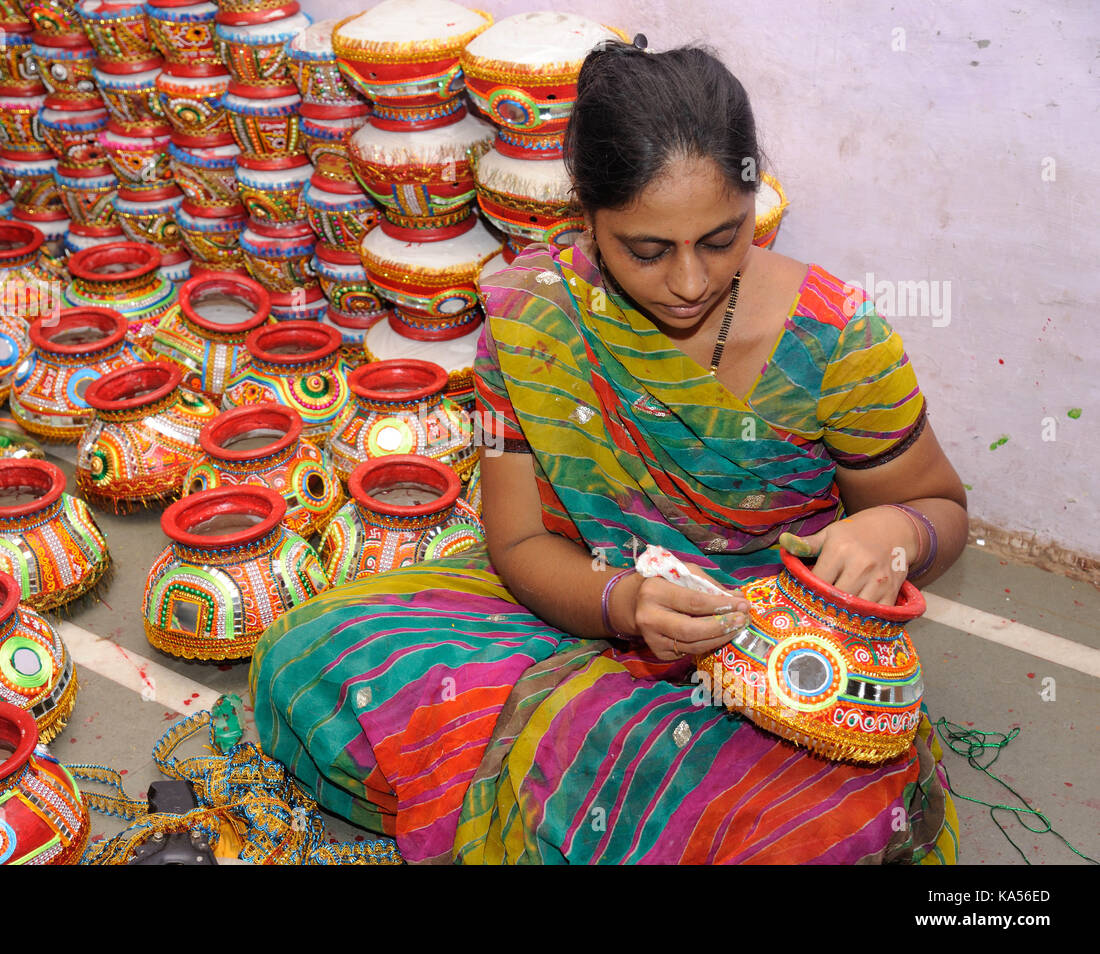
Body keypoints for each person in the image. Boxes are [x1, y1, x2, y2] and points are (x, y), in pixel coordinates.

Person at [250, 41, 967, 864]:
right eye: (648, 251)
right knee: (302, 657)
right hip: (589, 601)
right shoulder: (531, 320)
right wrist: (624, 606)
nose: (692, 283)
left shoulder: (837, 341)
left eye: (722, 238)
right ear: (586, 218)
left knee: (825, 829)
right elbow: (518, 546)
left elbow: (942, 507)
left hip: (776, 658)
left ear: (752, 202)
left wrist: (898, 534)